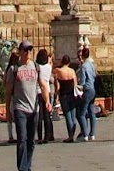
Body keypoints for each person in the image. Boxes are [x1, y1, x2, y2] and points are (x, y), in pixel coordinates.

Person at [5, 41, 49, 171]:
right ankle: (22, 168)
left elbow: (43, 85)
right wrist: (8, 109)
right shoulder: (14, 69)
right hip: (20, 108)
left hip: (34, 108)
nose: (28, 52)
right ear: (20, 51)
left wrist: (46, 101)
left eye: (30, 50)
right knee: (22, 138)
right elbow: (8, 91)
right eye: (25, 50)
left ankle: (27, 165)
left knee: (31, 141)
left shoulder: (35, 67)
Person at [53, 54, 78, 141]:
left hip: (63, 94)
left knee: (67, 115)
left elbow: (57, 85)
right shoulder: (72, 71)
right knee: (73, 114)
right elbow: (75, 84)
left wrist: (56, 96)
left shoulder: (58, 71)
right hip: (71, 94)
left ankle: (70, 135)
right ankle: (73, 131)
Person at [75, 46, 97, 142]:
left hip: (87, 89)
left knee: (82, 114)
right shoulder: (91, 64)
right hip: (92, 88)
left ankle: (85, 134)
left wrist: (78, 86)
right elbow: (94, 75)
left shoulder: (84, 66)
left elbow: (83, 81)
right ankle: (92, 133)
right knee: (92, 112)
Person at [35, 48, 55, 144]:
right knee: (47, 115)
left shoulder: (37, 67)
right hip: (48, 90)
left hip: (38, 91)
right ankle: (47, 135)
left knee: (39, 115)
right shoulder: (49, 67)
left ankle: (39, 136)